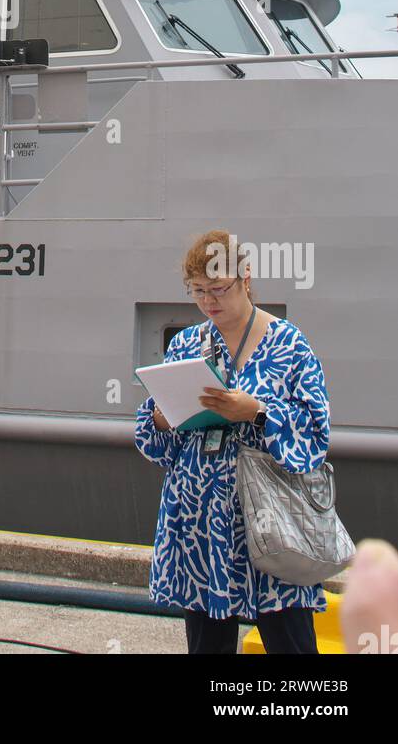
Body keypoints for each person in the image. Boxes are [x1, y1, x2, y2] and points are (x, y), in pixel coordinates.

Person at [135, 228, 331, 654]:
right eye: (198, 291)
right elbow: (154, 446)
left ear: (245, 277)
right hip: (201, 523)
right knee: (206, 645)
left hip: (272, 521)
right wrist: (161, 419)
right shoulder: (187, 344)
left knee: (291, 643)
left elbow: (316, 435)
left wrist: (257, 412)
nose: (209, 302)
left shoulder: (289, 345)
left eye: (218, 289)